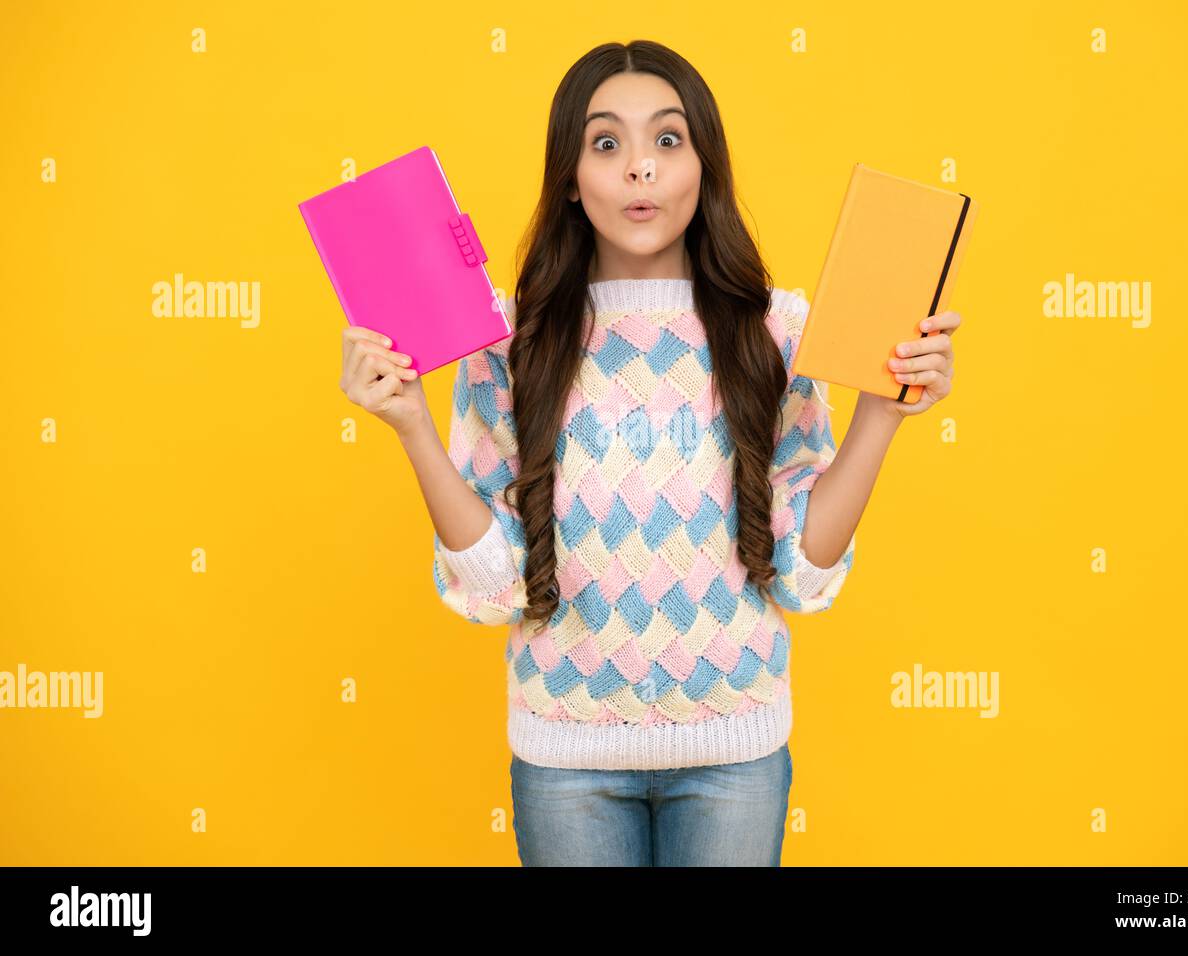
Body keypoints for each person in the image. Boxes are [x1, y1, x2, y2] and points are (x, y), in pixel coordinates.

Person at [338, 39, 960, 866]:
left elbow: (803, 576)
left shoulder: (778, 332)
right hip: (566, 763)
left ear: (704, 165)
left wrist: (881, 417)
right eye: (607, 143)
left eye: (668, 140)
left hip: (735, 752)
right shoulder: (505, 344)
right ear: (571, 175)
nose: (641, 169)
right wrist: (413, 426)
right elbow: (494, 591)